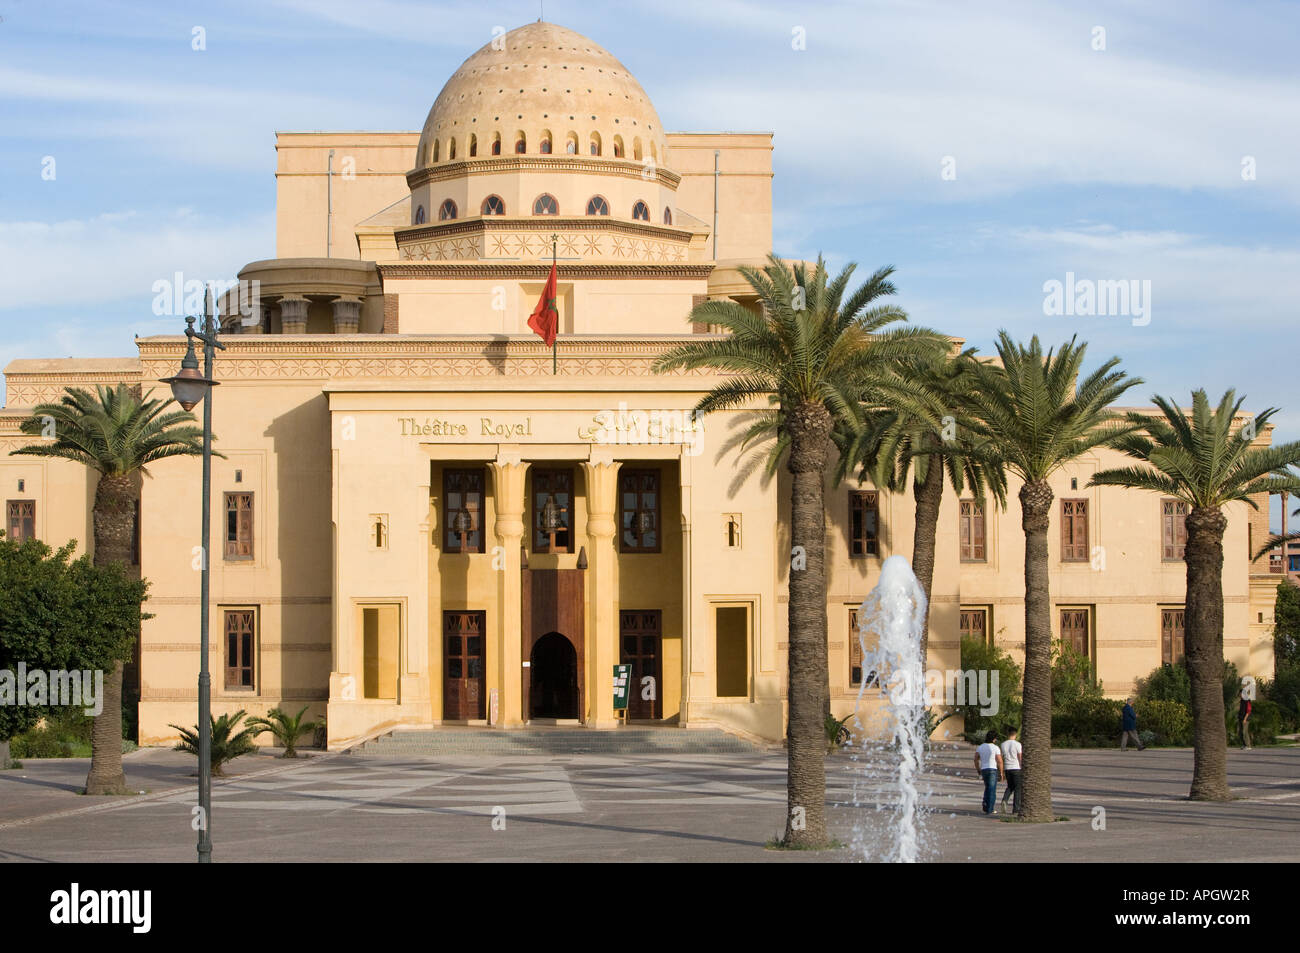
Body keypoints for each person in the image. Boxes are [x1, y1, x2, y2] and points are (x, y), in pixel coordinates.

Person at [973, 730, 1004, 815]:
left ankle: (985, 805)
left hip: (984, 769)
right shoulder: (995, 748)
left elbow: (976, 759)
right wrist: (1001, 772)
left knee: (987, 788)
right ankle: (990, 809)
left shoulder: (980, 747)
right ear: (994, 739)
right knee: (992, 790)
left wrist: (978, 769)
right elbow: (1000, 761)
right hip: (992, 769)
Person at [999, 727, 1023, 816]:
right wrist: (1022, 766)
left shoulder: (1003, 744)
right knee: (1017, 788)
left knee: (1010, 786)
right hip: (1016, 768)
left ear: (1008, 734)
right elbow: (1020, 757)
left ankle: (1005, 800)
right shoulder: (1018, 744)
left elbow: (1002, 756)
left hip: (1007, 768)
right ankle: (1016, 809)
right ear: (1015, 734)